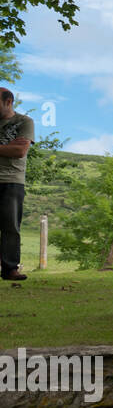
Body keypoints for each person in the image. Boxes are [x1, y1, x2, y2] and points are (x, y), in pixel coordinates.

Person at [0, 88, 34, 281]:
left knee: (11, 226)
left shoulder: (24, 122)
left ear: (8, 102)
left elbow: (20, 150)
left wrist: (11, 148)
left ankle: (10, 269)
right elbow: (12, 148)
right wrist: (6, 148)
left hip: (12, 180)